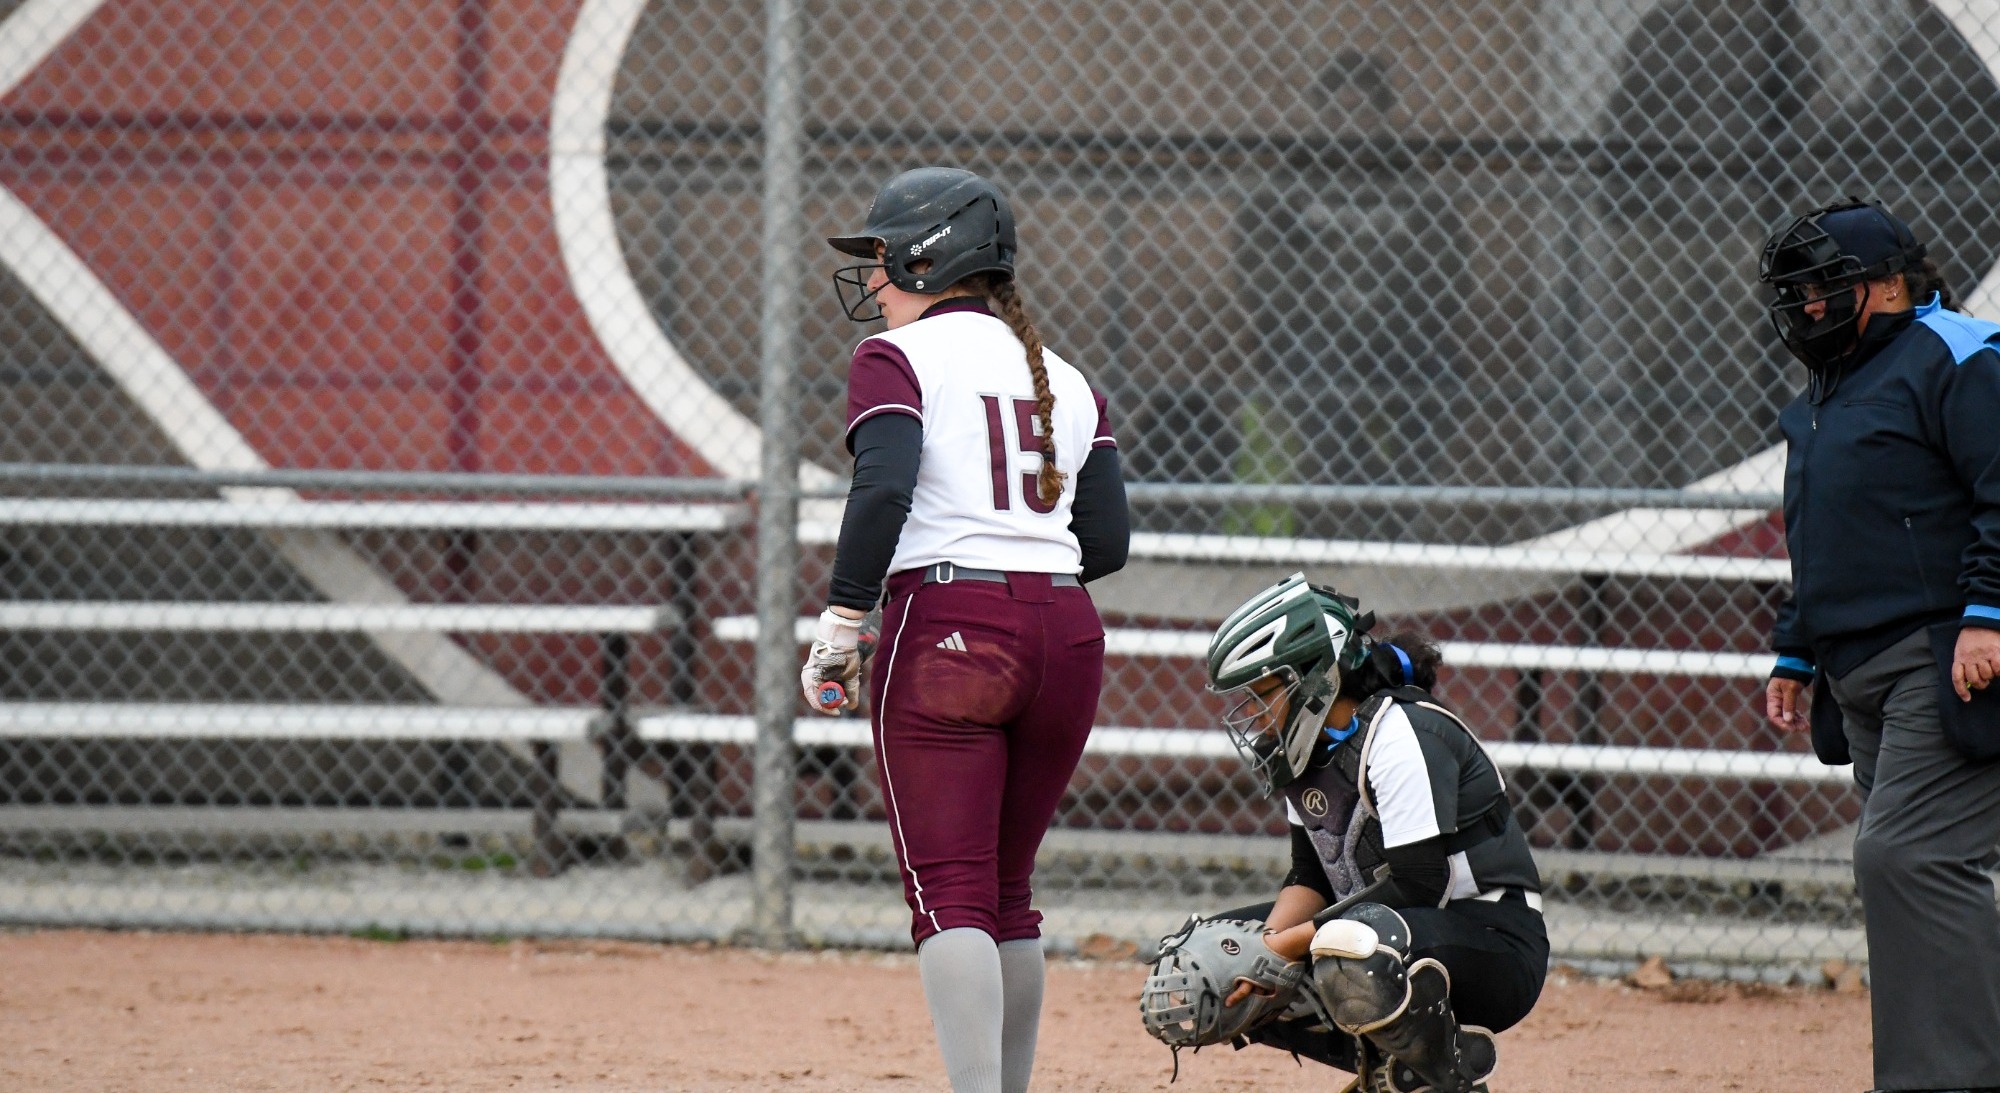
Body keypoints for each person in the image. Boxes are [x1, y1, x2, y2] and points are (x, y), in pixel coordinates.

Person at [798, 166, 1130, 1093]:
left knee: (950, 896)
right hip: (1066, 630)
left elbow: (885, 488)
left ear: (926, 255)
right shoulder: (1065, 375)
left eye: (880, 256)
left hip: (948, 626)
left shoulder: (895, 360)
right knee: (1005, 893)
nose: (872, 277)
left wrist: (843, 618)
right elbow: (1104, 540)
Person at [1759, 197, 2000, 1092]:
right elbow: (1819, 532)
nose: (1809, 306)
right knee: (1922, 878)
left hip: (1945, 659)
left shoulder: (1958, 355)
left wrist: (1989, 613)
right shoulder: (1823, 395)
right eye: (1799, 291)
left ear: (1890, 286)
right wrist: (1795, 646)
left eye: (1828, 287)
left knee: (1908, 857)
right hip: (1857, 670)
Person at [1143, 573, 1545, 1093]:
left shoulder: (1401, 731)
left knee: (1343, 945)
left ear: (1314, 679)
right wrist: (1262, 950)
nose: (1255, 715)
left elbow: (1418, 883)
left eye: (1264, 692)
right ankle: (1395, 1071)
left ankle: (1441, 1070)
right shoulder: (1307, 748)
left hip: (1495, 944)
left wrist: (1286, 948)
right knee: (1208, 960)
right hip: (1383, 933)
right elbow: (1310, 874)